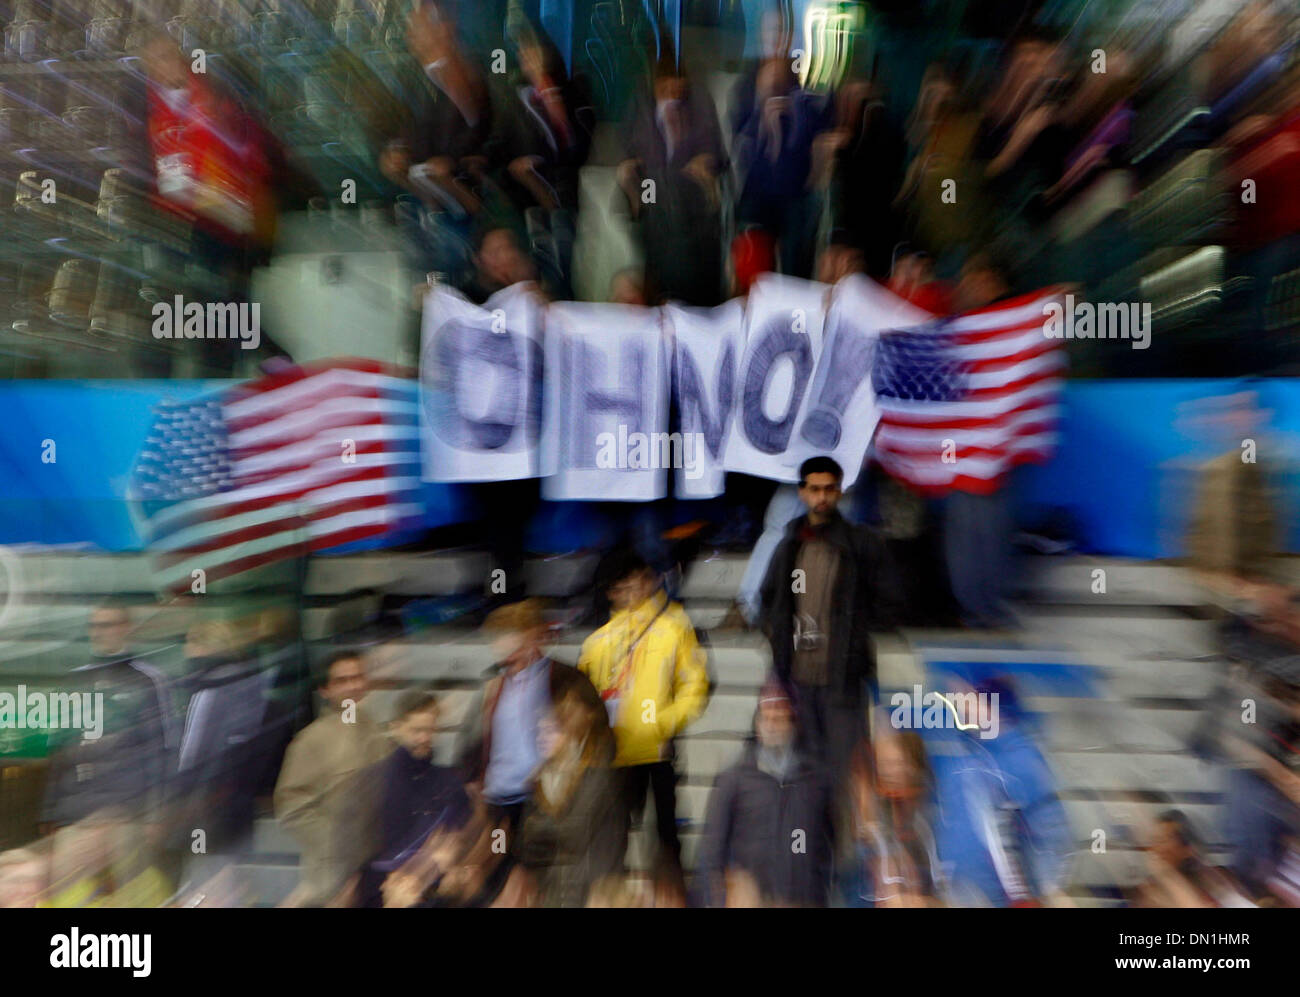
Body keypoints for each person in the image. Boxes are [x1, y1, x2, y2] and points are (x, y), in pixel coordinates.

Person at [758, 456, 898, 791]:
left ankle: (841, 843)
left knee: (846, 776)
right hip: (796, 681)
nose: (822, 497)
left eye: (830, 489)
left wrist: (857, 636)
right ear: (802, 493)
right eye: (815, 489)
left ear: (840, 492)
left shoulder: (860, 544)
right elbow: (771, 600)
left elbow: (890, 599)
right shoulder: (790, 546)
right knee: (800, 779)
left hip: (843, 683)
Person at [579, 549, 710, 869]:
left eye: (635, 582)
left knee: (666, 836)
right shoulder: (598, 641)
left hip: (656, 750)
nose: (630, 592)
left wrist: (663, 723)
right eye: (621, 587)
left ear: (649, 579)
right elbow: (584, 697)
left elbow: (696, 686)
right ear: (611, 592)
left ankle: (671, 896)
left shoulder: (676, 626)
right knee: (612, 835)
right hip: (613, 751)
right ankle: (610, 898)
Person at [696, 679, 836, 907]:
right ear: (757, 721)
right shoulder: (734, 779)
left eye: (779, 718)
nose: (771, 725)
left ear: (794, 723)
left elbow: (831, 845)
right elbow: (712, 852)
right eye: (766, 717)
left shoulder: (816, 780)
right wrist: (719, 899)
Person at [41, 601, 173, 832]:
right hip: (76, 812)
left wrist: (154, 814)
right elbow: (60, 751)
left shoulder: (147, 680)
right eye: (93, 626)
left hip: (124, 813)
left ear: (126, 628)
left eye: (106, 625)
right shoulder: (74, 682)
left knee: (131, 869)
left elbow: (160, 752)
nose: (98, 632)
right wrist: (51, 811)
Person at [273, 651, 391, 906]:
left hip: (376, 865)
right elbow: (293, 809)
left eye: (358, 677)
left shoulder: (377, 731)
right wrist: (339, 845)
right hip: (332, 874)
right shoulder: (311, 740)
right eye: (342, 680)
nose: (353, 686)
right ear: (325, 690)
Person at [511, 684, 627, 907]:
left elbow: (574, 832)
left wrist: (535, 830)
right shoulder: (537, 782)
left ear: (569, 732)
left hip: (592, 893)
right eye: (540, 731)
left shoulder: (596, 775)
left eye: (551, 731)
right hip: (553, 894)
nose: (542, 737)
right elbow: (523, 846)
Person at [361, 691, 473, 908]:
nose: (424, 738)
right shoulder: (373, 783)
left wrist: (452, 869)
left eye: (430, 730)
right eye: (416, 730)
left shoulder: (449, 781)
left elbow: (460, 837)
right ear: (395, 728)